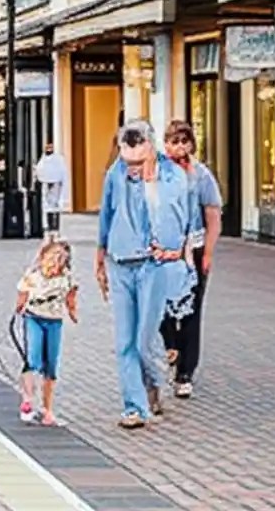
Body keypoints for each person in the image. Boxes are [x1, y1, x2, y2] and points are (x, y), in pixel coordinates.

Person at [96, 119, 193, 429]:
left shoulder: (174, 177)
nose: (132, 168)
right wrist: (100, 256)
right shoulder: (116, 174)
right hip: (121, 261)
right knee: (124, 340)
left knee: (143, 341)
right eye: (127, 161)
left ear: (151, 148)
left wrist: (175, 251)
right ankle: (134, 406)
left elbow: (183, 221)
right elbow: (106, 215)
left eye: (138, 161)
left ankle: (151, 382)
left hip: (154, 265)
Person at [159, 120, 221, 399]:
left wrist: (207, 252)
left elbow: (212, 214)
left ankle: (185, 371)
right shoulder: (156, 171)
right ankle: (171, 348)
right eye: (174, 141)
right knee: (161, 306)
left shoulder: (201, 175)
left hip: (192, 248)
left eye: (185, 141)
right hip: (162, 249)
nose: (180, 146)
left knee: (192, 310)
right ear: (166, 144)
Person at [15, 239, 78, 427]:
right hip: (33, 317)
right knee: (32, 359)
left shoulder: (66, 278)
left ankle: (47, 409)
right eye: (53, 257)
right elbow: (22, 293)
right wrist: (19, 306)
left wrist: (73, 311)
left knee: (51, 365)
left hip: (54, 321)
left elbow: (71, 296)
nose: (55, 263)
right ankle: (27, 399)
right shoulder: (33, 275)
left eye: (61, 259)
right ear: (43, 257)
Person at [34, 142, 69, 233]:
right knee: (48, 206)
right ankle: (50, 226)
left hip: (55, 183)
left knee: (54, 206)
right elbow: (39, 171)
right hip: (47, 184)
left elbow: (63, 173)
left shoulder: (58, 159)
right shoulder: (43, 160)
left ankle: (55, 227)